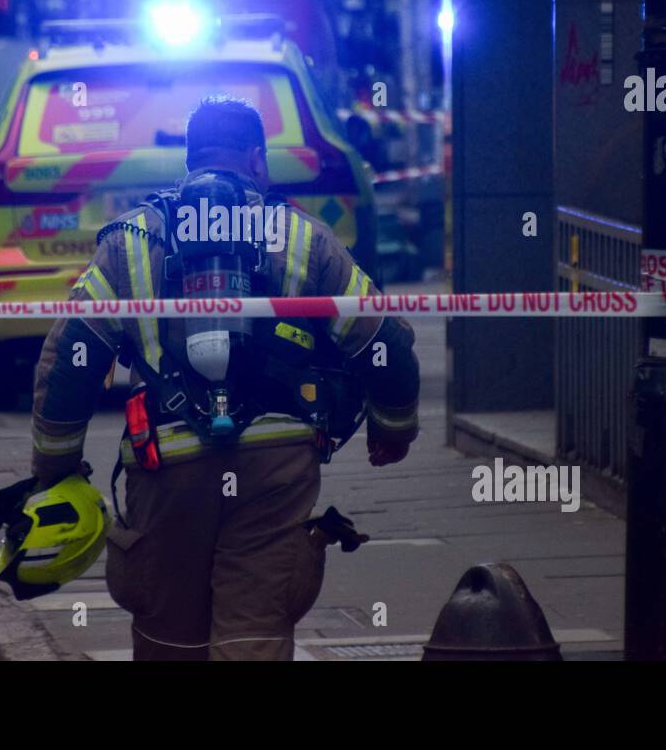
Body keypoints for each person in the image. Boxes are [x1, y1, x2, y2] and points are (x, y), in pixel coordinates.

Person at [29, 96, 421, 660]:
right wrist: (393, 428)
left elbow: (72, 362)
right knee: (252, 635)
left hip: (167, 464)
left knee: (169, 639)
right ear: (258, 161)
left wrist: (56, 470)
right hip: (275, 468)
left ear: (188, 163)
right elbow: (385, 344)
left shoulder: (131, 242)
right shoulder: (306, 239)